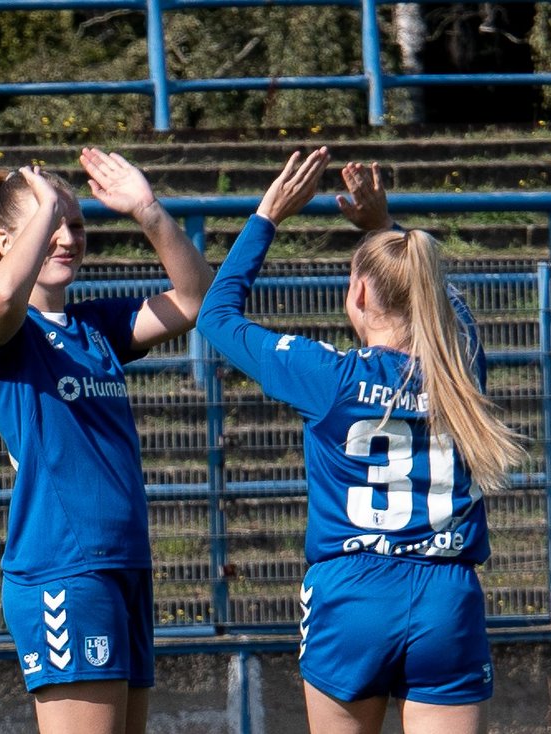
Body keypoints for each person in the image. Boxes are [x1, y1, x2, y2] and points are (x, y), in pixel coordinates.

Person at [196, 149, 526, 734]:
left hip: (353, 592)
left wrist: (267, 215)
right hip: (447, 597)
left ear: (360, 294)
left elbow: (217, 317)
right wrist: (384, 226)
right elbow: (438, 302)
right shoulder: (462, 364)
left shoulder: (331, 377)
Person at [0, 149, 212, 733]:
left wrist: (148, 212)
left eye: (75, 225)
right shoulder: (4, 331)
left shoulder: (95, 326)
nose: (67, 238)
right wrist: (48, 200)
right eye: (50, 227)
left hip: (124, 563)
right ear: (6, 242)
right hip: (63, 569)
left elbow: (197, 299)